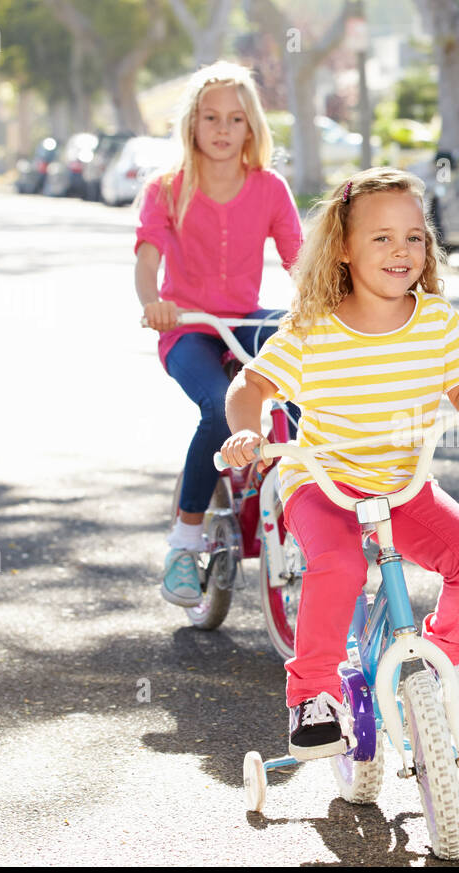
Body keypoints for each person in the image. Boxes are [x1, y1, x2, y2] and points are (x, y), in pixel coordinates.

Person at [219, 168, 459, 759]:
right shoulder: (312, 331)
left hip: (403, 485)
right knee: (341, 566)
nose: (401, 250)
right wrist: (247, 429)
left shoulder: (437, 321)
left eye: (414, 237)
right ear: (344, 250)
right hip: (323, 482)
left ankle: (449, 659)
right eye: (381, 237)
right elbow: (249, 388)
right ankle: (313, 693)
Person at [134, 61, 302, 607]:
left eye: (234, 119)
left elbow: (301, 261)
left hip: (247, 320)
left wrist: (322, 305)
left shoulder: (269, 188)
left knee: (305, 369)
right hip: (190, 328)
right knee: (215, 406)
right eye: (211, 118)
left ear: (251, 127)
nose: (223, 129)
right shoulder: (167, 188)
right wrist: (153, 303)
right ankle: (183, 543)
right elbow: (147, 256)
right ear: (193, 124)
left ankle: (306, 493)